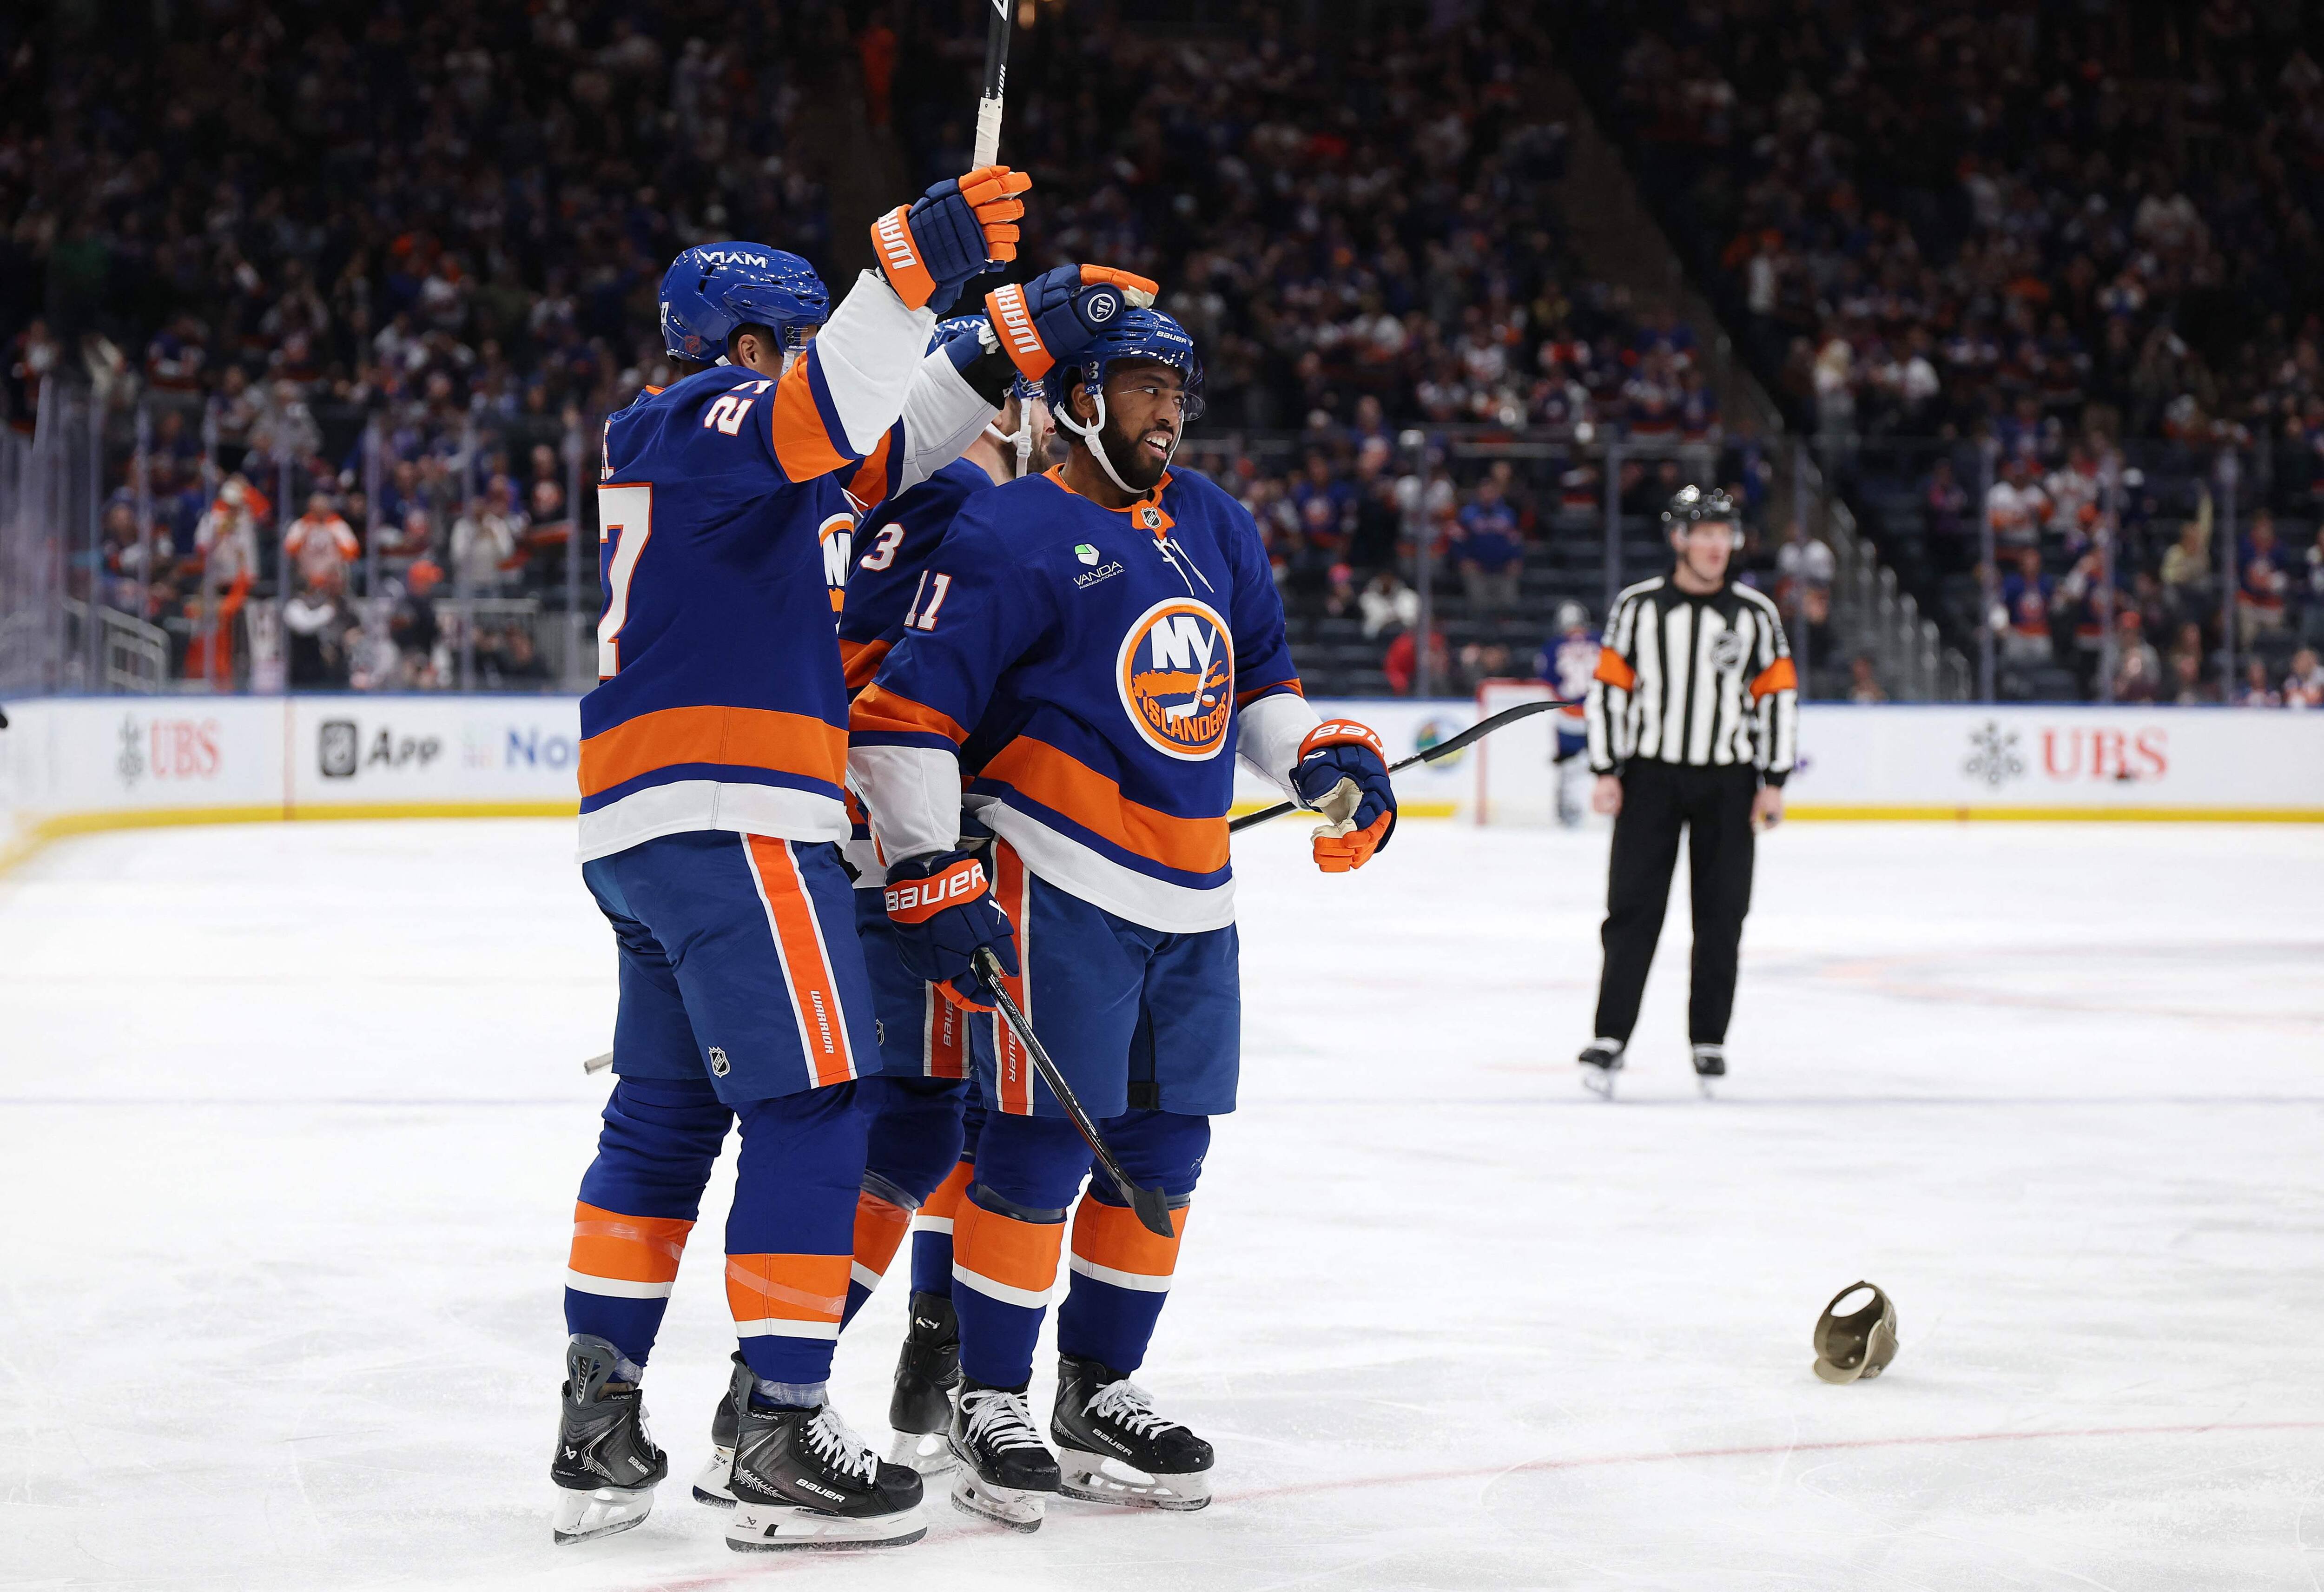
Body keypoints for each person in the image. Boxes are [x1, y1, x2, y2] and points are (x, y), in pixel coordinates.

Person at [547, 160, 1077, 1555]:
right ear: (745, 348)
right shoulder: (713, 417)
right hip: (732, 812)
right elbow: (833, 406)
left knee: (660, 1123)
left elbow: (893, 434)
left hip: (644, 827)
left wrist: (1002, 333)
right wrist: (908, 263)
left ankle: (596, 1416)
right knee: (819, 1102)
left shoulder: (742, 468)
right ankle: (781, 1421)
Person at [849, 307, 1399, 1531]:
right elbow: (910, 715)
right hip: (1058, 880)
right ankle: (992, 1397)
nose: (1169, 411)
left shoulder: (1215, 520)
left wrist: (1326, 759)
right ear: (1079, 397)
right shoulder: (1004, 527)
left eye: (1177, 390)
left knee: (1167, 1151)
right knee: (1043, 1144)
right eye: (1145, 386)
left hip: (1194, 894)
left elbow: (1260, 686)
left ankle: (1100, 1387)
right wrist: (931, 862)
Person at [699, 318, 1060, 1490]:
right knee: (930, 1115)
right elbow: (946, 679)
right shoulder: (969, 497)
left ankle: (910, 1354)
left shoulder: (900, 490)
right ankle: (802, 1382)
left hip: (863, 822)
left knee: (941, 1104)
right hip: (919, 840)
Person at [1577, 485, 1797, 1097]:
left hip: (1729, 781)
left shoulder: (1756, 614)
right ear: (1679, 539)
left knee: (1723, 915)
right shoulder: (1638, 607)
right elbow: (1611, 690)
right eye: (1702, 533)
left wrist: (1773, 780)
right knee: (1631, 911)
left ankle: (1709, 1041)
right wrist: (1606, 768)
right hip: (1650, 777)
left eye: (1723, 533)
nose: (1714, 545)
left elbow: (1777, 697)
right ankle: (1610, 1037)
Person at [1533, 600, 1598, 826]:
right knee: (1605, 764)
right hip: (1596, 715)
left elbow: (1548, 680)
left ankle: (1568, 814)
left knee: (1569, 768)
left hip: (1569, 716)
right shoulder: (1600, 641)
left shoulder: (1554, 646)